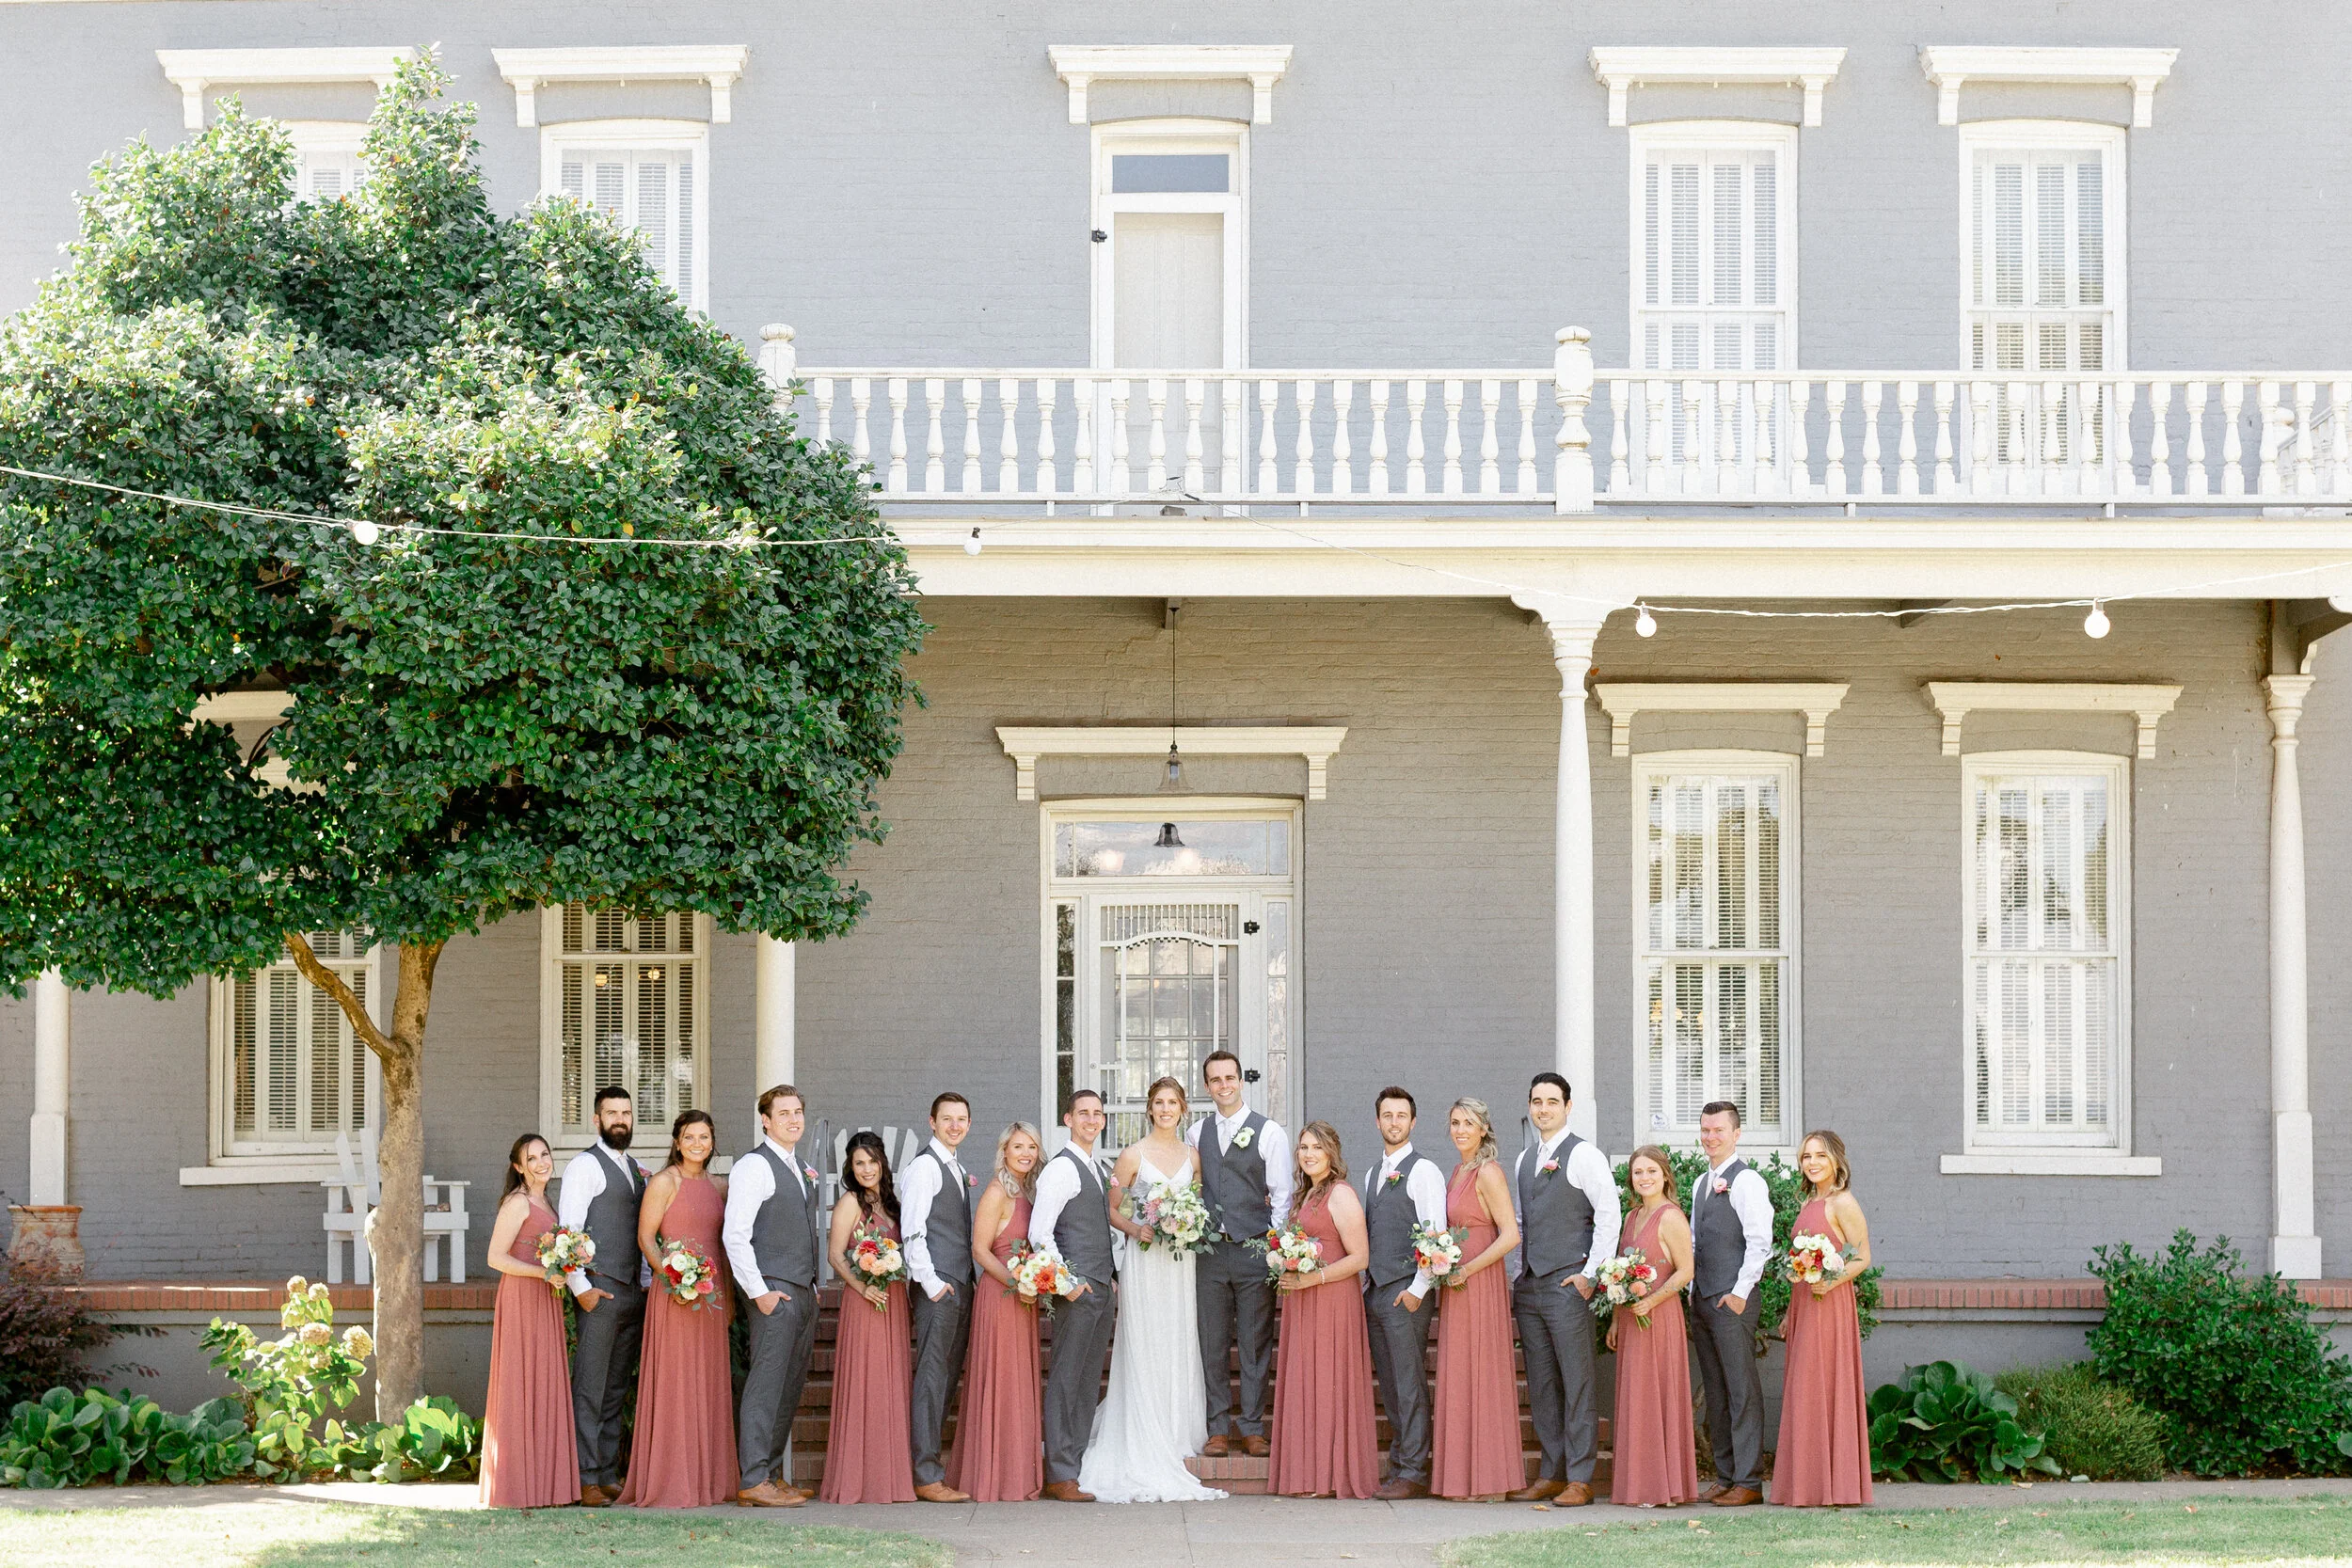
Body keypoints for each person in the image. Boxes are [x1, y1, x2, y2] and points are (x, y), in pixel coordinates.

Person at [1078, 1075, 1226, 1503]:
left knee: (1178, 1338)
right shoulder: (1132, 1155)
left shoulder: (1193, 1157)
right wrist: (1136, 1228)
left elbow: (1196, 1205)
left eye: (1172, 1103)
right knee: (1146, 1339)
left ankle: (1177, 1429)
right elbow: (1111, 1208)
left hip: (1180, 1261)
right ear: (1149, 1109)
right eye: (1158, 1103)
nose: (1165, 1110)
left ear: (1183, 1109)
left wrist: (1189, 1225)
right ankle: (1143, 1426)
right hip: (1144, 1259)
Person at [1505, 1072, 1621, 1505]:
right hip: (1531, 1287)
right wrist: (1517, 1275)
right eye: (1537, 1101)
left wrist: (1591, 1274)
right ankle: (1551, 1472)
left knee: (1577, 1381)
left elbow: (1609, 1215)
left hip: (1569, 1283)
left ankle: (1581, 1477)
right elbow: (1522, 1223)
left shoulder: (1584, 1155)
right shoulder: (1523, 1160)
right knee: (1542, 1383)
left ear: (1568, 1107)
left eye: (1552, 1102)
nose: (1544, 1109)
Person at [617, 1110, 735, 1509]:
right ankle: (671, 1478)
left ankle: (707, 1479)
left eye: (704, 1137)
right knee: (677, 1383)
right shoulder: (664, 1182)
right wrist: (673, 1281)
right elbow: (646, 1238)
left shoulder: (719, 1186)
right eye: (689, 1137)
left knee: (708, 1384)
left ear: (712, 1141)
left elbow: (722, 1247)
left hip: (712, 1298)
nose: (697, 1144)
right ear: (677, 1142)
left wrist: (728, 1298)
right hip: (675, 1296)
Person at [1186, 1050, 1293, 1460]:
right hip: (1210, 1252)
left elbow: (1281, 1197)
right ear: (1207, 1086)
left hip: (1254, 1250)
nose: (1223, 1085)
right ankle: (1217, 1428)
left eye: (1229, 1077)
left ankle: (1251, 1427)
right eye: (1215, 1080)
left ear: (1240, 1081)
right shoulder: (1196, 1133)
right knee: (1211, 1342)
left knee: (1254, 1342)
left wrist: (1273, 1248)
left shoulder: (1269, 1132)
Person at [724, 1084, 825, 1507]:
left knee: (788, 1386)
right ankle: (752, 1478)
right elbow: (735, 1235)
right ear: (765, 1121)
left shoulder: (799, 1167)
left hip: (801, 1290)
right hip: (773, 1291)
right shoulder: (755, 1166)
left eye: (797, 1111)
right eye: (783, 1113)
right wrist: (760, 1293)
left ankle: (769, 1474)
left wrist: (812, 1287)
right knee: (766, 1385)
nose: (793, 1119)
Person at [1267, 1121, 1378, 1499]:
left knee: (1327, 1380)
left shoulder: (1340, 1194)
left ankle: (1328, 1475)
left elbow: (1360, 1257)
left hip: (1331, 1299)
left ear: (1332, 1152)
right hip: (1303, 1300)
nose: (1309, 1154)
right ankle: (1306, 1473)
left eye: (1317, 1147)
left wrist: (1314, 1279)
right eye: (1303, 1147)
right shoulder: (1305, 1195)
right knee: (1306, 1382)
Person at [555, 1085, 649, 1506]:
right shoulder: (584, 1166)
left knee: (615, 1388)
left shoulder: (635, 1169)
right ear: (597, 1120)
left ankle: (607, 1473)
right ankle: (584, 1477)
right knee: (590, 1388)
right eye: (612, 1113)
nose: (620, 1120)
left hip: (631, 1292)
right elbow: (569, 1231)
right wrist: (582, 1289)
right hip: (599, 1289)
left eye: (626, 1113)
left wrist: (645, 1283)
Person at [479, 1133, 581, 1509]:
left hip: (545, 1299)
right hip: (522, 1297)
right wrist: (542, 1273)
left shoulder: (547, 1202)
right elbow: (495, 1257)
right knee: (520, 1381)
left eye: (545, 1154)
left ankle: (544, 1484)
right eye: (532, 1158)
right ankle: (516, 1485)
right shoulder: (518, 1202)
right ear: (518, 1167)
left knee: (544, 1380)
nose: (541, 1163)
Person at [1773, 1130, 1874, 1508]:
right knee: (1804, 1390)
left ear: (1836, 1161)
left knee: (1824, 1386)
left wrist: (1830, 1282)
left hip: (1830, 1304)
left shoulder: (1843, 1202)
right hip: (1804, 1304)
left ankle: (1834, 1485)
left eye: (1819, 1156)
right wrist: (1790, 1312)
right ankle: (1807, 1484)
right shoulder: (1808, 1201)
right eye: (1806, 1156)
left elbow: (1862, 1257)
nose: (1812, 1163)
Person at [1027, 1089, 1119, 1502]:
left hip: (1100, 1288)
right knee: (1067, 1379)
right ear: (1068, 1119)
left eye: (1098, 1113)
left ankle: (1074, 1467)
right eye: (1083, 1113)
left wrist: (1110, 1278)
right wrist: (1067, 1282)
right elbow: (1039, 1233)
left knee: (1086, 1381)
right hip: (1077, 1292)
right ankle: (1059, 1472)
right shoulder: (1062, 1168)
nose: (1092, 1120)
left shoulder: (1096, 1167)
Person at [1430, 1098, 1523, 1500]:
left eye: (1469, 1123)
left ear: (1484, 1129)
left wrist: (1468, 1269)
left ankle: (1490, 1481)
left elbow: (1510, 1235)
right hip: (1456, 1284)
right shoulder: (1457, 1171)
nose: (1460, 1130)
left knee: (1482, 1373)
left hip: (1480, 1283)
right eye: (1455, 1123)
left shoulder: (1489, 1172)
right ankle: (1461, 1479)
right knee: (1460, 1375)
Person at [948, 1122, 1045, 1502]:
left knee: (1017, 1383)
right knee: (1001, 1380)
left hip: (1024, 1297)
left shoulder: (1030, 1191)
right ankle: (993, 1476)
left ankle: (1016, 1474)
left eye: (1032, 1147)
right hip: (1001, 1295)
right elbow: (980, 1250)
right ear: (1004, 1151)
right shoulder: (996, 1191)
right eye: (1018, 1146)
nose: (1026, 1153)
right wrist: (1016, 1283)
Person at [819, 1131, 918, 1503]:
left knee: (891, 1384)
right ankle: (858, 1477)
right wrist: (862, 1288)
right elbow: (835, 1255)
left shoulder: (893, 1203)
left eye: (872, 1161)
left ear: (882, 1163)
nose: (866, 1169)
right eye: (858, 1163)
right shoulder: (850, 1202)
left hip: (893, 1301)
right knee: (867, 1381)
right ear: (851, 1167)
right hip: (864, 1301)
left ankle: (889, 1477)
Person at [1360, 1085, 1448, 1500]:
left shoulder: (1424, 1170)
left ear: (1413, 1122)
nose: (1394, 1122)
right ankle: (1399, 1466)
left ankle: (1413, 1471)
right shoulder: (1371, 1174)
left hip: (1406, 1292)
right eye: (1387, 1115)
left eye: (1401, 1116)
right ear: (1377, 1121)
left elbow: (1436, 1236)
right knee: (1392, 1386)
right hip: (1377, 1292)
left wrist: (1418, 1289)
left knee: (1409, 1383)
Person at [1689, 1101, 1774, 1507]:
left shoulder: (1747, 1181)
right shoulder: (1700, 1183)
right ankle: (1725, 1477)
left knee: (1741, 1391)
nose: (1711, 1137)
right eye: (1705, 1130)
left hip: (1733, 1300)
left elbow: (1760, 1243)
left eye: (1718, 1130)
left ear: (1736, 1134)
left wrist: (1739, 1293)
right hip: (1703, 1300)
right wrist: (1693, 1291)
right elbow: (1695, 1241)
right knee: (1718, 1392)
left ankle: (1749, 1481)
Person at [1606, 1146, 1699, 1507]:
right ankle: (1639, 1485)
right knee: (1637, 1398)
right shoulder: (1631, 1217)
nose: (1644, 1178)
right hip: (1632, 1320)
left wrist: (1654, 1300)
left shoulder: (1671, 1217)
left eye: (1651, 1171)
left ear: (1665, 1176)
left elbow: (1686, 1270)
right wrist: (1617, 1319)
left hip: (1659, 1318)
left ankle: (1664, 1488)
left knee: (1657, 1397)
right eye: (1638, 1172)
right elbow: (1620, 1272)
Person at [898, 1091, 977, 1503]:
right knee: (932, 1376)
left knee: (945, 1377)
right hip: (938, 1287)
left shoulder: (955, 1167)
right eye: (947, 1119)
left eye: (961, 1119)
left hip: (959, 1283)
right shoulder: (925, 1167)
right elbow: (912, 1230)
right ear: (932, 1122)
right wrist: (931, 1284)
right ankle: (925, 1473)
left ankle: (930, 1468)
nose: (955, 1126)